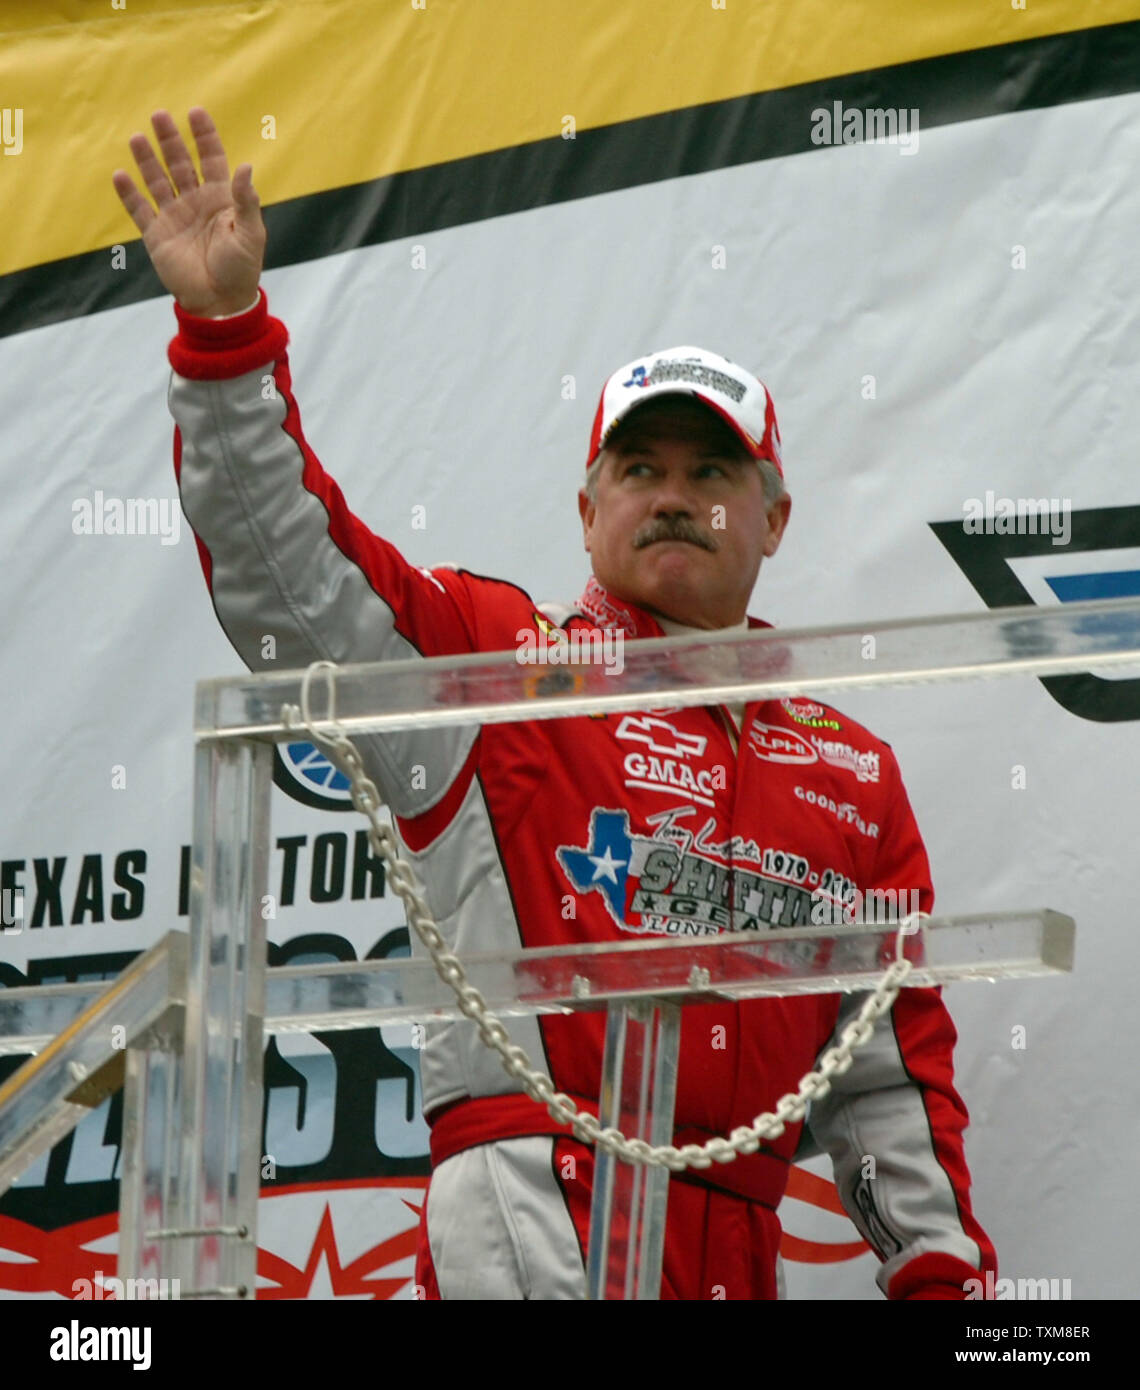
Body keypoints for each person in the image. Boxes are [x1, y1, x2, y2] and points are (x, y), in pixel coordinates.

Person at [113, 108, 997, 1300]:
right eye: (641, 469)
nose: (674, 497)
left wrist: (948, 1293)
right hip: (533, 1216)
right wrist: (225, 338)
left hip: (736, 1254)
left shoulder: (854, 772)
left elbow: (888, 1080)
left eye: (712, 471)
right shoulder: (497, 660)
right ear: (589, 512)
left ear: (774, 518)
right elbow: (293, 580)